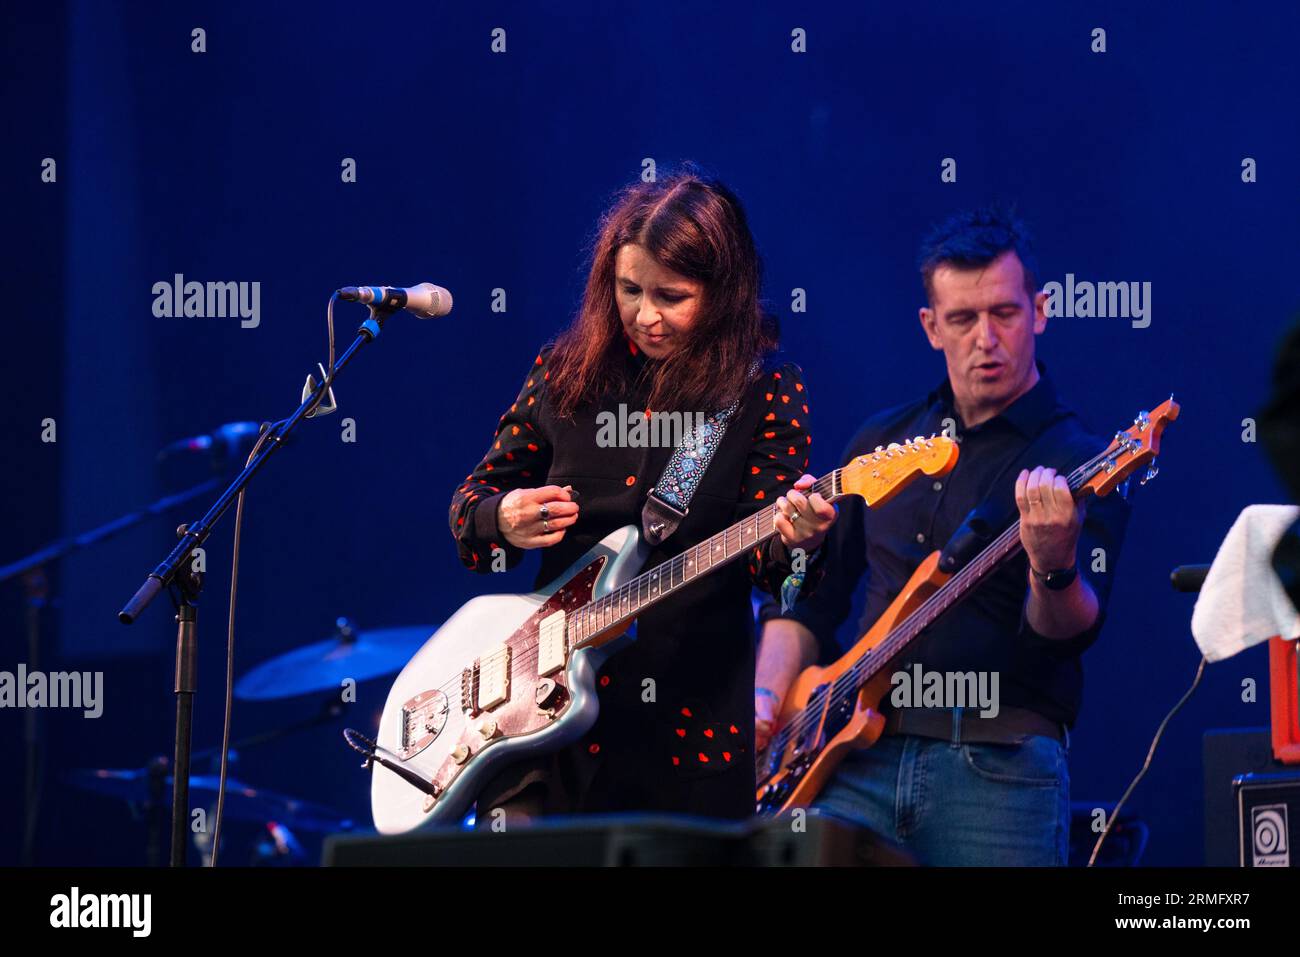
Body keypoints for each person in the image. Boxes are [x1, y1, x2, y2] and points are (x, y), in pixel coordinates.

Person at [450, 171, 835, 823]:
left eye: (672, 296)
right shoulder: (564, 372)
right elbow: (471, 507)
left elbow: (780, 577)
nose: (646, 314)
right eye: (629, 290)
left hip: (684, 739)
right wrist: (502, 517)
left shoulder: (763, 390)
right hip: (537, 731)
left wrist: (801, 543)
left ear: (721, 294)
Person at [756, 206, 1130, 865]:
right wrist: (767, 697)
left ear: (1039, 311)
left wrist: (1053, 565)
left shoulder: (1078, 459)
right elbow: (807, 598)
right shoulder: (881, 442)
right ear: (931, 326)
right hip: (847, 759)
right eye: (962, 319)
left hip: (995, 766)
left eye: (1004, 314)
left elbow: (1069, 632)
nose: (986, 338)